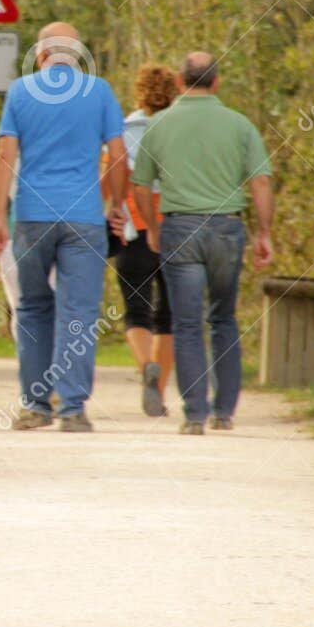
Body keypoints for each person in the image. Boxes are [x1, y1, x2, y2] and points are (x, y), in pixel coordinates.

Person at [0, 22, 127, 431]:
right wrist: (116, 205)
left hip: (31, 215)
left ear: (42, 54)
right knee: (78, 311)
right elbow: (117, 154)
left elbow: (5, 156)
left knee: (31, 307)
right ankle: (73, 410)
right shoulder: (99, 91)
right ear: (77, 56)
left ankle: (36, 405)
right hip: (84, 218)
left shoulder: (20, 91)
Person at [131, 52, 273, 435]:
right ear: (217, 81)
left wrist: (152, 229)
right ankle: (224, 411)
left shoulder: (158, 125)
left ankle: (195, 414)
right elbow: (260, 182)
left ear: (180, 81)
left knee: (187, 323)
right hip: (227, 229)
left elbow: (141, 184)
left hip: (181, 228)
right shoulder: (240, 125)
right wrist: (264, 232)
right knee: (223, 318)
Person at [115, 64, 180, 417]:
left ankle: (146, 370)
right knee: (167, 316)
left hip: (134, 229)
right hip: (173, 228)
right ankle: (159, 392)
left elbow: (112, 176)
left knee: (135, 312)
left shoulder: (123, 131)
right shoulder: (183, 131)